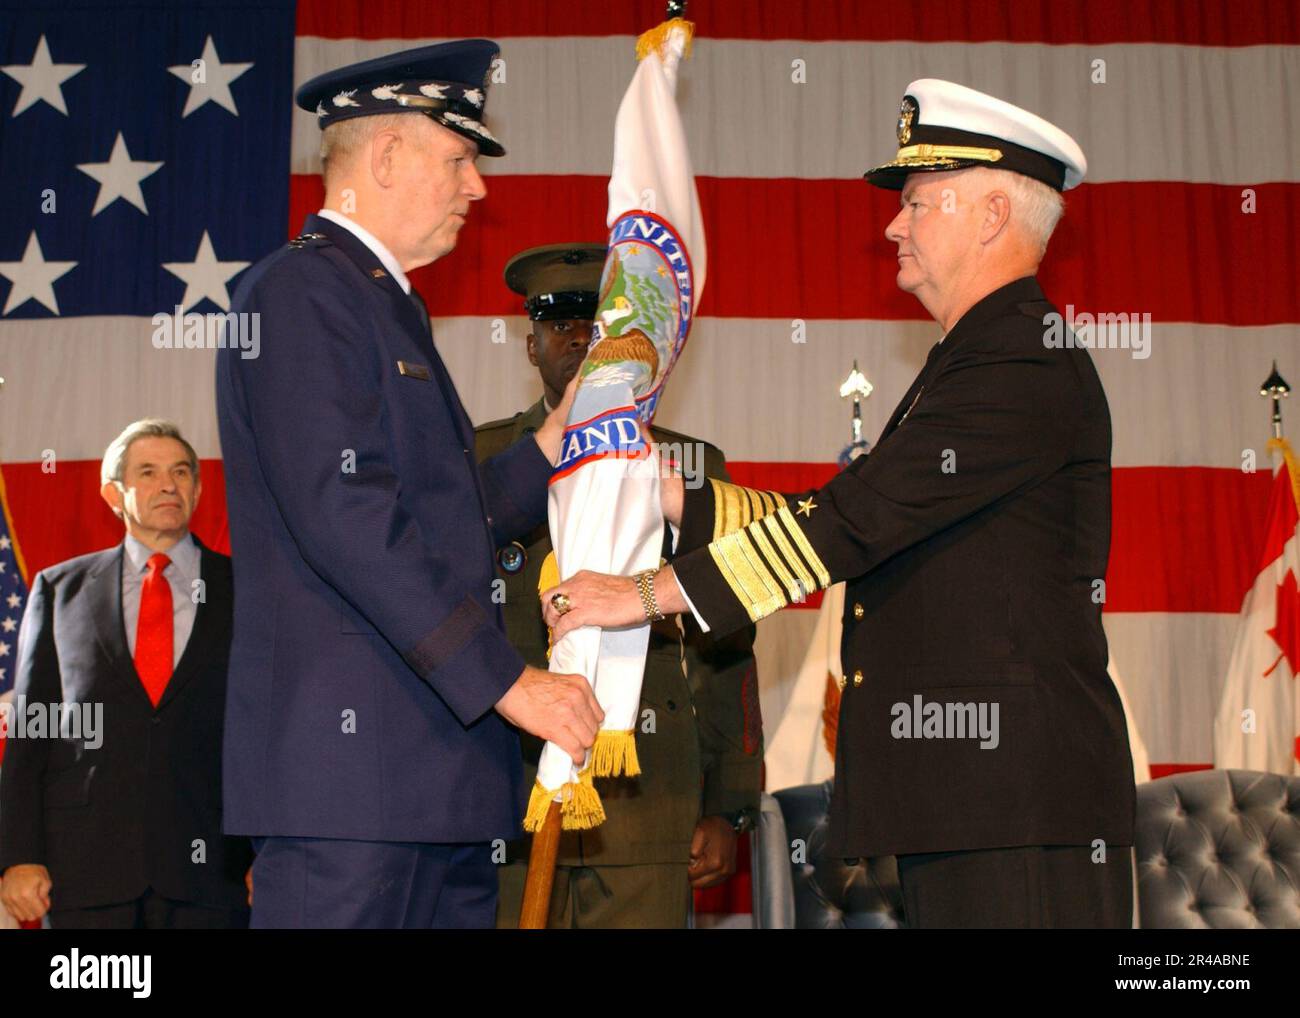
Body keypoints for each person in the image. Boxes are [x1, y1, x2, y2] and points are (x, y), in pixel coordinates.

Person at [542, 80, 1136, 929]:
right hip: (976, 804)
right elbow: (863, 517)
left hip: (1014, 809)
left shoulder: (1017, 363)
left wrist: (638, 594)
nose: (894, 224)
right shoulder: (978, 355)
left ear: (993, 214)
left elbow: (851, 525)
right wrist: (671, 494)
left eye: (918, 201)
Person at [214, 40, 602, 929]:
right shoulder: (300, 293)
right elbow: (346, 516)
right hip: (352, 794)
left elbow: (442, 521)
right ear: (386, 156)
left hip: (431, 788)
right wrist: (510, 682)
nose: (479, 187)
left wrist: (555, 438)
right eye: (461, 157)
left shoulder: (380, 302)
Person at [477, 243, 762, 928]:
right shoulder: (485, 462)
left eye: (598, 324)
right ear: (530, 345)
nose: (580, 338)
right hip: (506, 801)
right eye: (560, 324)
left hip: (649, 802)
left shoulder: (689, 469)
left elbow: (731, 645)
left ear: (635, 345)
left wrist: (726, 804)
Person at [0, 420, 253, 929]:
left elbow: (273, 733)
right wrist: (16, 856)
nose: (168, 485)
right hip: (85, 875)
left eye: (181, 472)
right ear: (113, 493)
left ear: (198, 489)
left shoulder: (247, 589)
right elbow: (32, 731)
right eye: (148, 472)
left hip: (213, 871)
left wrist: (270, 853)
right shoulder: (60, 589)